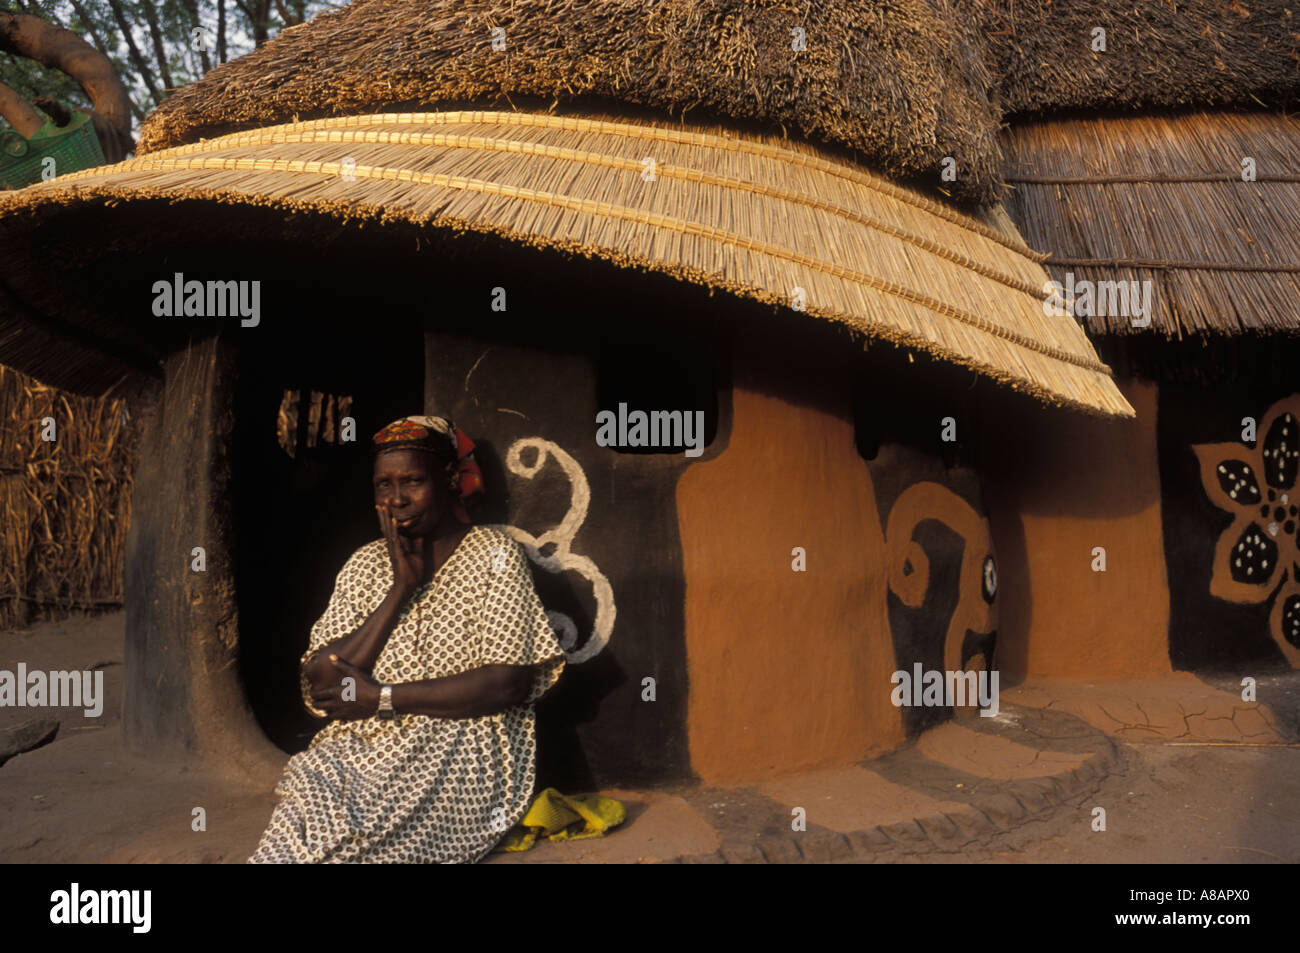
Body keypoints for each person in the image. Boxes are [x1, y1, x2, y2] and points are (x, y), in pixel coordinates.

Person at [248, 415, 565, 863]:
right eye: (383, 485)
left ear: (451, 480)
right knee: (303, 807)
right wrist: (401, 588)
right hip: (362, 748)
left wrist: (381, 697)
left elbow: (506, 683)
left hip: (462, 746)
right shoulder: (364, 564)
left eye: (413, 481)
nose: (397, 499)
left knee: (363, 840)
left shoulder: (494, 556)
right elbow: (320, 680)